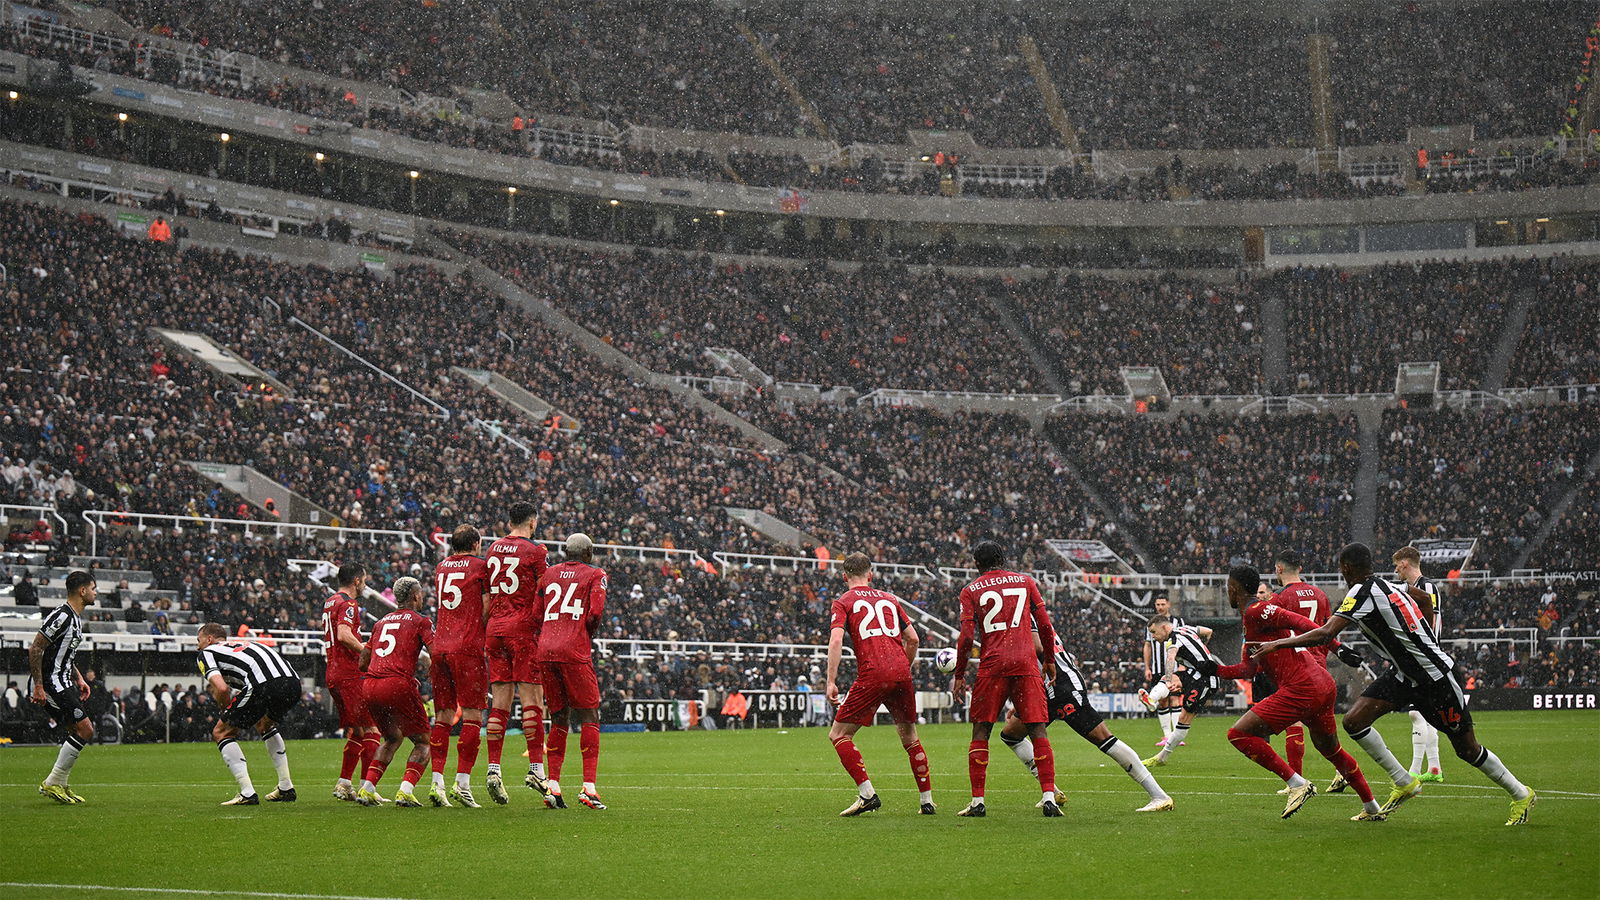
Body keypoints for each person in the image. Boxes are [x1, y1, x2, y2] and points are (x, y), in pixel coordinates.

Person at [1252, 543, 1536, 825]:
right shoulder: (1390, 585)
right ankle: (1404, 781)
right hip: (1404, 676)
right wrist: (1421, 632)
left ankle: (1521, 793)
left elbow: (1325, 634)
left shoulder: (1361, 592)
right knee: (1354, 721)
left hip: (1434, 678)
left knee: (1467, 749)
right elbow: (1424, 599)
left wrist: (1277, 644)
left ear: (1346, 569)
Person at [1192, 566, 1384, 820]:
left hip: (1303, 686)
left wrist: (1336, 646)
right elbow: (1248, 669)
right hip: (1321, 684)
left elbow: (1300, 621)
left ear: (1232, 588)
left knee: (1238, 734)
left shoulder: (1257, 609)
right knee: (1331, 750)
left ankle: (1297, 783)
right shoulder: (1250, 621)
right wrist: (1215, 669)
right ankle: (1372, 807)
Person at [999, 629, 1173, 813]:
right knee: (1011, 735)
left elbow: (1037, 648)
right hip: (1050, 686)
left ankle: (1159, 795)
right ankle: (1051, 792)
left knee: (1103, 738)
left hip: (1059, 685)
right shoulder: (1029, 613)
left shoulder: (1025, 614)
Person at [950, 540, 1062, 818]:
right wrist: (1048, 659)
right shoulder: (1025, 582)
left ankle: (978, 802)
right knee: (1037, 730)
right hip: (1025, 663)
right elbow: (1046, 625)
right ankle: (1049, 796)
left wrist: (960, 674)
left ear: (977, 564)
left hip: (993, 665)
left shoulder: (970, 590)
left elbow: (965, 638)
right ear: (1004, 559)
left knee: (981, 732)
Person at [823, 552, 933, 817]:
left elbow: (836, 641)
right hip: (900, 671)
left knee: (839, 734)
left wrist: (831, 681)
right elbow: (914, 639)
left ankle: (867, 794)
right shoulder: (890, 599)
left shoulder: (843, 602)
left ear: (844, 576)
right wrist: (902, 668)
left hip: (873, 672)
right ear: (870, 575)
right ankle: (927, 801)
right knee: (910, 737)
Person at [483, 502, 549, 804]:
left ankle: (493, 770)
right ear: (532, 522)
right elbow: (543, 591)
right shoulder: (537, 551)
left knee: (499, 705)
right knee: (533, 702)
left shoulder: (493, 548)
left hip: (494, 630)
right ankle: (536, 769)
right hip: (522, 630)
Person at [537, 532, 607, 810]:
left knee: (558, 717)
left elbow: (536, 613)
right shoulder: (595, 573)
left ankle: (553, 785)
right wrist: (584, 633)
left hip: (546, 650)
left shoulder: (548, 574)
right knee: (589, 714)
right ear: (588, 553)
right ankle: (589, 788)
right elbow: (596, 612)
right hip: (573, 650)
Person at [196, 623, 301, 805]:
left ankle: (247, 792)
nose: (197, 645)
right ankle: (285, 786)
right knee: (264, 724)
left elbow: (221, 689)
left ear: (209, 639)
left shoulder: (207, 652)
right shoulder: (245, 644)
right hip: (293, 683)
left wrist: (226, 712)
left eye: (199, 640)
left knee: (221, 732)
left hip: (264, 683)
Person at [356, 576, 434, 808]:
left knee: (392, 737)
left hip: (370, 685)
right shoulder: (421, 621)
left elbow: (362, 662)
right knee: (423, 742)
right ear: (415, 596)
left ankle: (367, 789)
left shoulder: (381, 623)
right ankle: (405, 790)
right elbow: (436, 652)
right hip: (397, 684)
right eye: (420, 594)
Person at [428, 523, 491, 808]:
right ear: (476, 543)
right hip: (466, 647)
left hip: (439, 647)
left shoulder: (441, 568)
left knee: (442, 716)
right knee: (473, 716)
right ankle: (462, 783)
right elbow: (487, 605)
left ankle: (436, 783)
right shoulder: (481, 567)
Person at [30, 570, 94, 804]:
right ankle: (52, 781)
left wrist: (79, 678)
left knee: (75, 731)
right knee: (86, 730)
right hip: (51, 683)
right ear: (82, 590)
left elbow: (64, 654)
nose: (96, 593)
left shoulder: (76, 618)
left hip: (64, 681)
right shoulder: (62, 616)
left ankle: (60, 783)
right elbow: (36, 648)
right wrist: (38, 686)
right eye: (93, 588)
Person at [1271, 550, 1331, 789]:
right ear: (1301, 568)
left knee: (1293, 723)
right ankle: (1342, 771)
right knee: (1324, 727)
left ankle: (1296, 781)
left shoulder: (1280, 598)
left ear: (1279, 569)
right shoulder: (1320, 594)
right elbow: (1328, 630)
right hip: (1319, 664)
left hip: (1296, 664)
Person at [323, 563, 380, 802]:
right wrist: (367, 651)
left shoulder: (330, 601)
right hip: (349, 673)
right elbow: (345, 635)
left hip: (333, 672)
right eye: (364, 579)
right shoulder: (348, 604)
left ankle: (344, 783)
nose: (365, 583)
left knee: (357, 730)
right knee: (372, 729)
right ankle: (368, 788)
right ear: (357, 580)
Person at [1136, 616, 1221, 767]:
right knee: (1169, 678)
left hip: (1206, 680)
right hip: (1194, 674)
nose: (1153, 637)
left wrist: (1169, 679)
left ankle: (1162, 757)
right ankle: (1152, 700)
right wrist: (1202, 650)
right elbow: (1208, 631)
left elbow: (1170, 658)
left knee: (1184, 718)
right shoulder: (1187, 628)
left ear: (1164, 628)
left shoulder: (1174, 639)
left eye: (1154, 632)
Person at [1392, 545, 1444, 784]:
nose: (1395, 571)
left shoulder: (1426, 587)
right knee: (1426, 714)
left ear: (1404, 563)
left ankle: (1414, 769)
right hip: (1421, 656)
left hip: (1425, 657)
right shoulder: (1419, 587)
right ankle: (1434, 767)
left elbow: (1430, 623)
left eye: (1396, 566)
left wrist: (1426, 651)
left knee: (1416, 712)